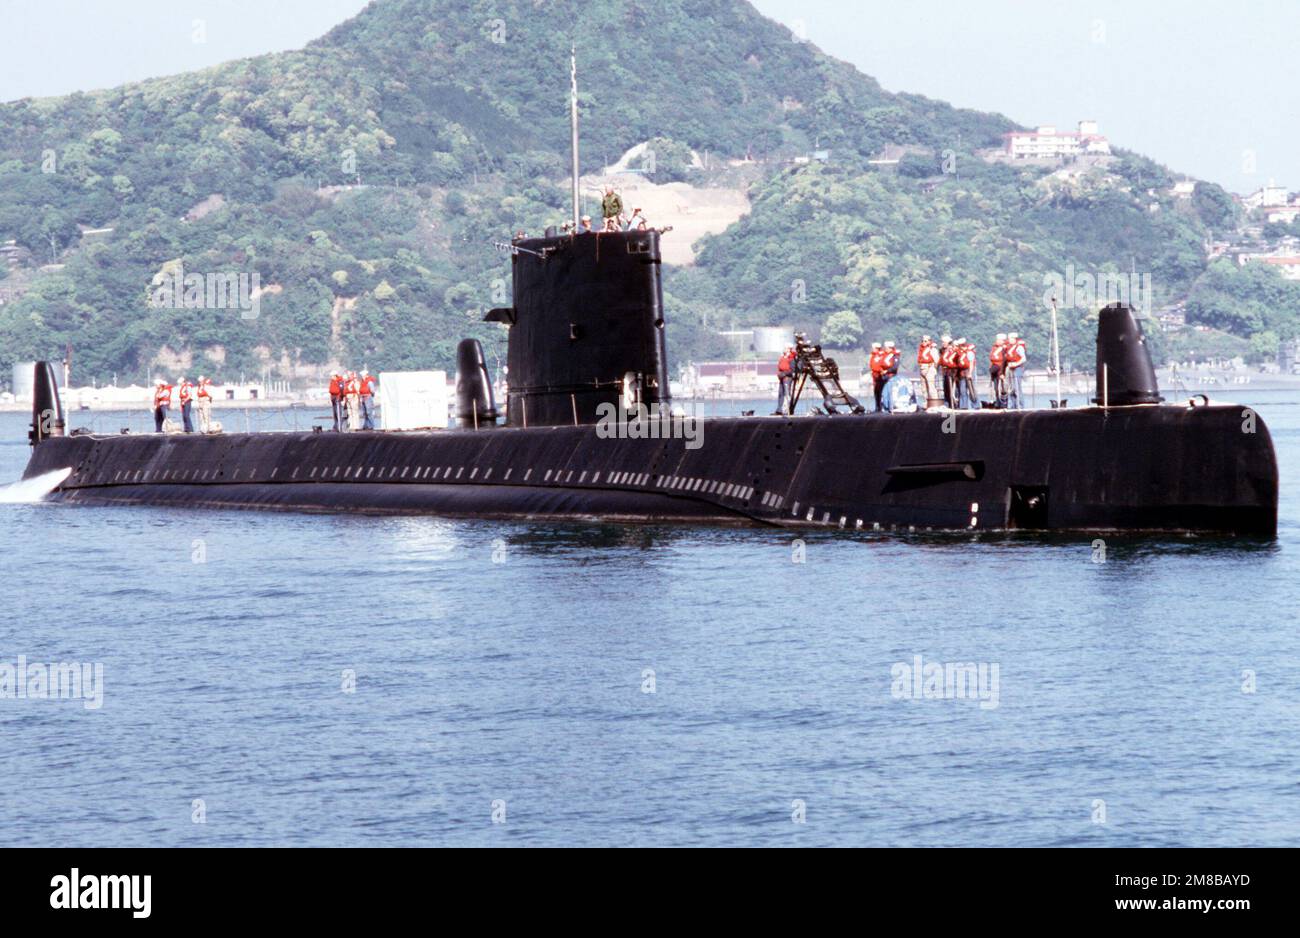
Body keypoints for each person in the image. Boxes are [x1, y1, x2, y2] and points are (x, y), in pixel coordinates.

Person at [1005, 332, 1027, 409]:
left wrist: (1016, 364)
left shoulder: (1019, 347)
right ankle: (1013, 406)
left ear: (1014, 339)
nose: (1009, 340)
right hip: (1010, 369)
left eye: (1011, 339)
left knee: (1017, 388)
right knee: (1012, 388)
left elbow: (1023, 358)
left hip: (1018, 368)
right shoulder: (1009, 348)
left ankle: (1021, 405)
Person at [916, 335, 939, 409]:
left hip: (930, 368)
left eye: (925, 341)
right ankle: (927, 403)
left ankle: (935, 403)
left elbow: (936, 361)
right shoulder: (921, 349)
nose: (923, 342)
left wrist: (933, 369)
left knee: (931, 387)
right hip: (922, 368)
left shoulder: (932, 349)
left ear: (929, 341)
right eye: (922, 341)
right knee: (924, 388)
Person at [959, 339, 980, 409]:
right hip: (962, 372)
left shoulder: (969, 352)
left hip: (968, 371)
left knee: (972, 389)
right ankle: (964, 406)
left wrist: (970, 373)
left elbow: (971, 363)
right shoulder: (960, 353)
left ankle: (975, 405)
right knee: (962, 390)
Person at [989, 333, 1008, 408]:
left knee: (1003, 388)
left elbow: (1004, 361)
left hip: (1001, 370)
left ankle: (1004, 403)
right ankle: (997, 403)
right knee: (996, 388)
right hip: (994, 369)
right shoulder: (994, 348)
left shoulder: (1004, 348)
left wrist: (1002, 372)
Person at [775, 346, 795, 415]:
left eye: (786, 348)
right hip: (781, 378)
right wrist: (779, 374)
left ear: (789, 349)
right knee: (781, 393)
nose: (784, 349)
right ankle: (779, 409)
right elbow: (779, 367)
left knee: (786, 394)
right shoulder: (782, 358)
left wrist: (784, 373)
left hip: (787, 378)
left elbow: (792, 370)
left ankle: (787, 410)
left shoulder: (791, 359)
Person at [938, 335, 957, 408]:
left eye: (944, 342)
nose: (943, 344)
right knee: (945, 389)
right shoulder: (943, 351)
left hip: (951, 372)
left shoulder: (952, 351)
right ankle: (947, 403)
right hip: (945, 371)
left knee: (951, 389)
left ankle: (953, 404)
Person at [867, 342, 886, 411]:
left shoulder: (881, 355)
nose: (872, 349)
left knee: (880, 392)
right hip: (874, 376)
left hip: (880, 376)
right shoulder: (873, 355)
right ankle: (877, 406)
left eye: (873, 348)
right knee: (876, 392)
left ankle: (881, 406)